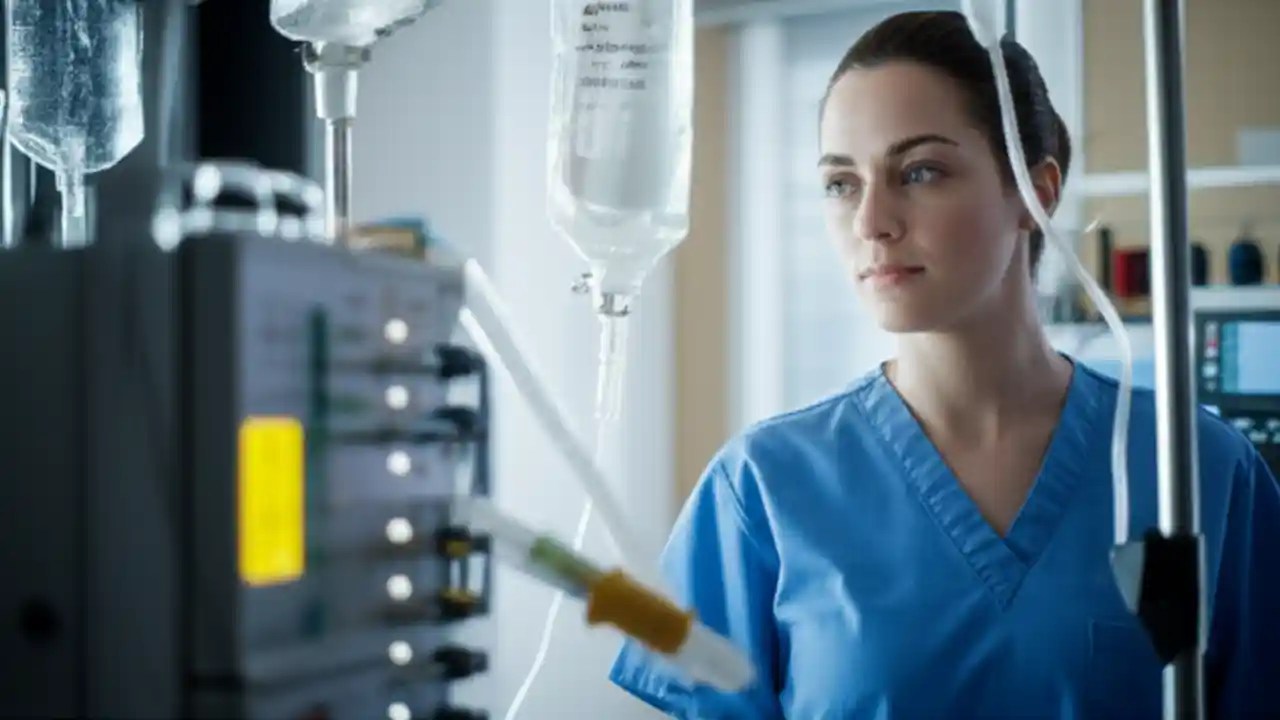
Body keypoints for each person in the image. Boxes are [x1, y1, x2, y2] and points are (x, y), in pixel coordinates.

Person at [609, 10, 1280, 719]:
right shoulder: (763, 488)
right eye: (842, 183)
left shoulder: (1199, 471)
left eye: (920, 172)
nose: (872, 222)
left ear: (1036, 193)